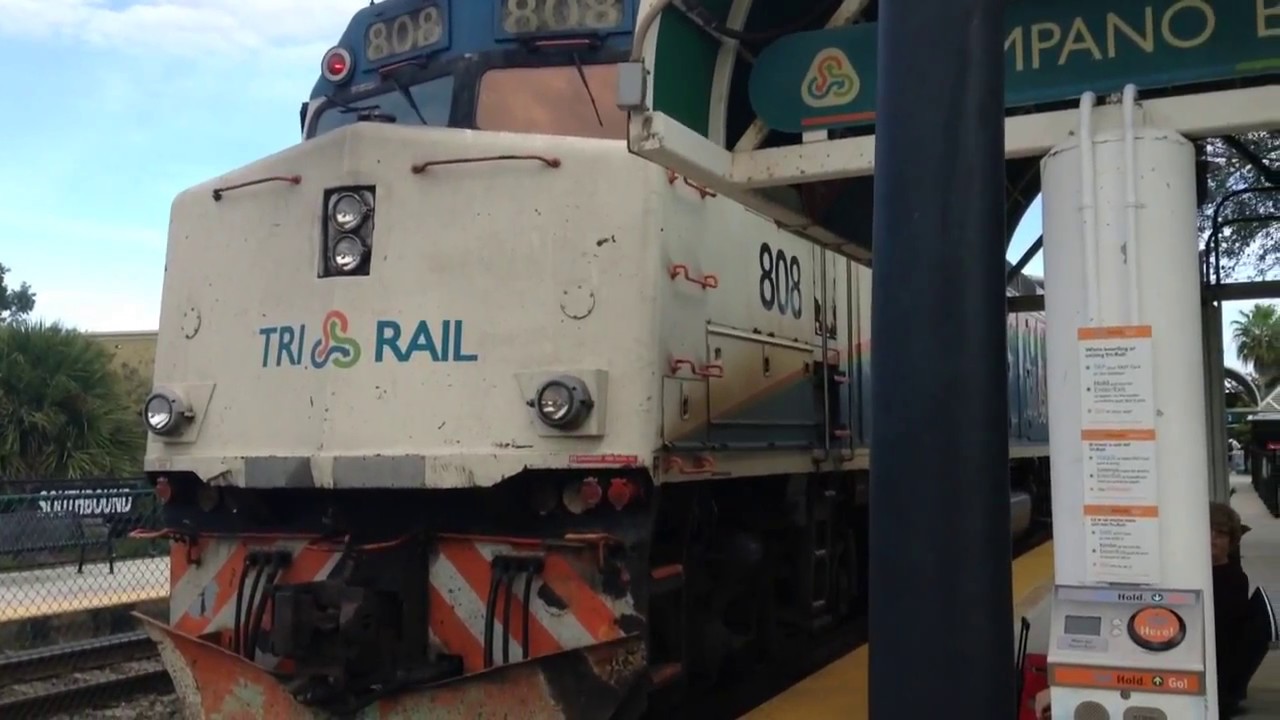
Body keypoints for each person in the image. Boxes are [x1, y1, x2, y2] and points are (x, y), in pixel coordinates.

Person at [1210, 501, 1263, 717]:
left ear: (1231, 541)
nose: (1212, 538)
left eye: (1220, 534)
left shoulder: (1234, 579)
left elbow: (1226, 638)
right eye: (1208, 531)